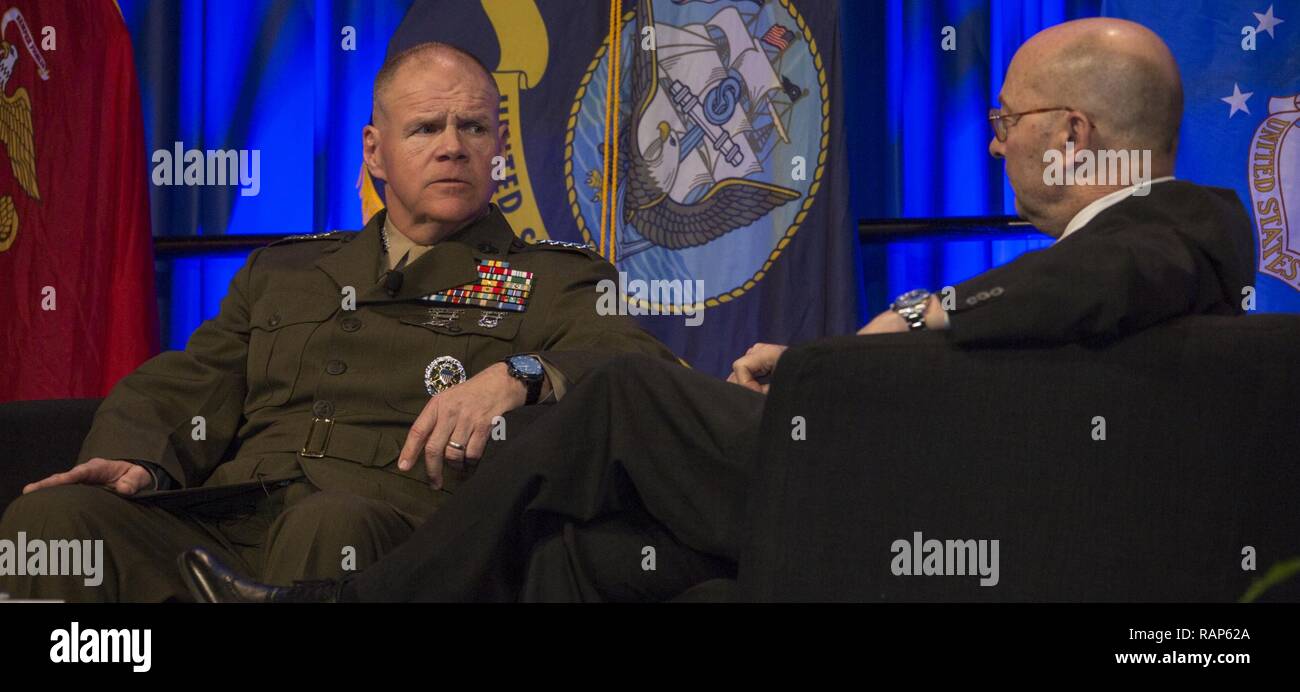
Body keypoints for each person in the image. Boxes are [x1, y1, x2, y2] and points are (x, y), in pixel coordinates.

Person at [186, 17, 1256, 602]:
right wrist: (830, 367)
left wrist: (920, 315)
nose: (990, 141)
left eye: (1005, 118)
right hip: (880, 457)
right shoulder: (1125, 240)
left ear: (1072, 130)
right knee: (577, 553)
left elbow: (1099, 285)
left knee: (627, 395)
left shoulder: (1182, 219)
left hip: (924, 496)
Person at [0, 42, 675, 602]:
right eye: (425, 128)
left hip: (396, 544)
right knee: (51, 523)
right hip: (230, 523)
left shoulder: (553, 278)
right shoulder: (284, 272)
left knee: (328, 528)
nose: (452, 147)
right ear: (375, 152)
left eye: (473, 128)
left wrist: (520, 373)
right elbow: (188, 379)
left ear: (498, 146)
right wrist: (136, 458)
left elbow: (635, 368)